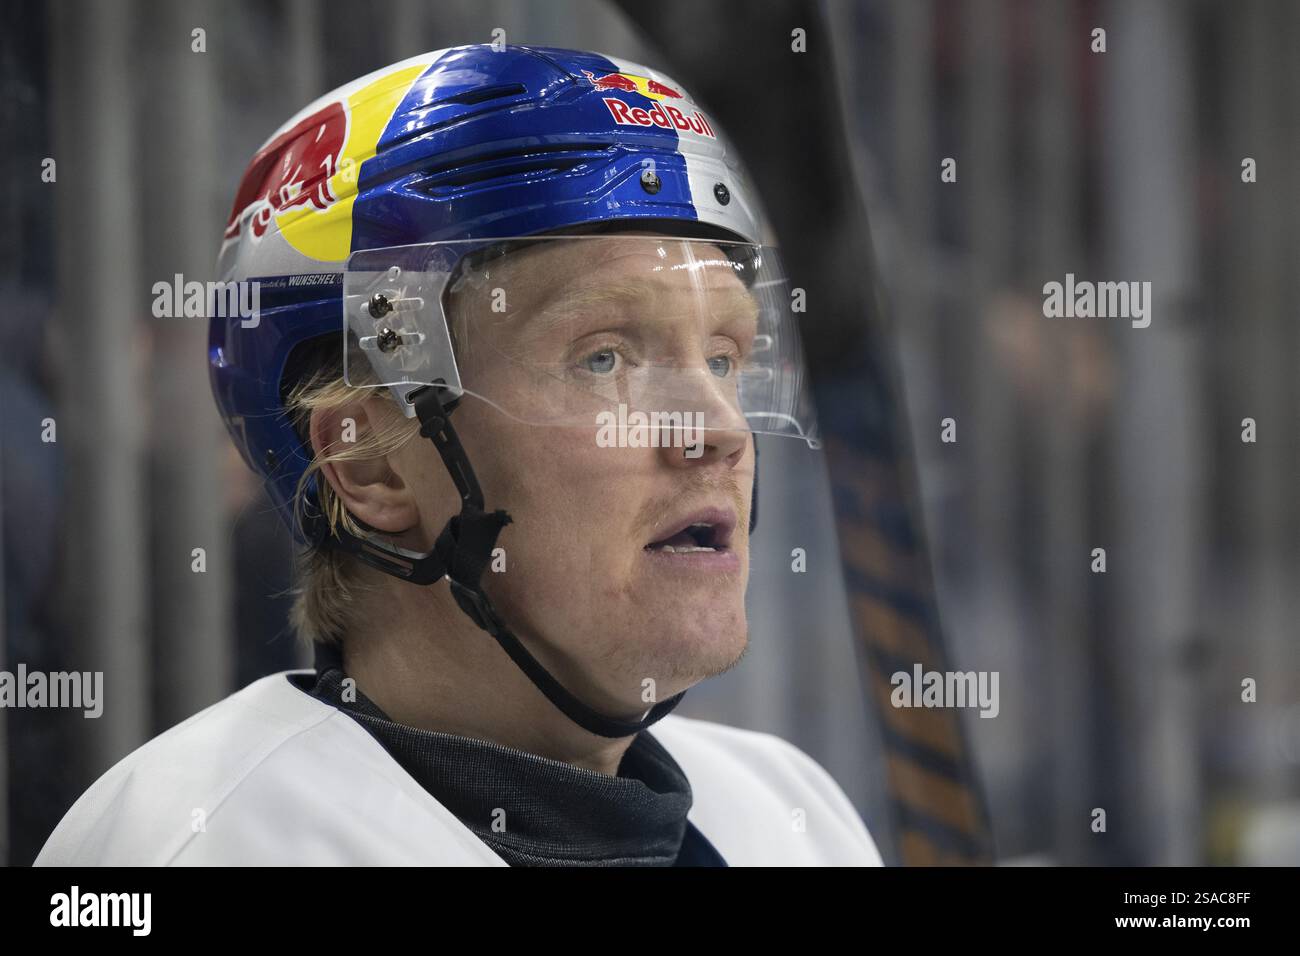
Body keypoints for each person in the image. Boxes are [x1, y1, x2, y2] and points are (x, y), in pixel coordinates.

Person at [37, 44, 882, 866]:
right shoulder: (199, 844)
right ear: (371, 463)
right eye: (604, 358)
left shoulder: (793, 813)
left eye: (725, 356)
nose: (721, 432)